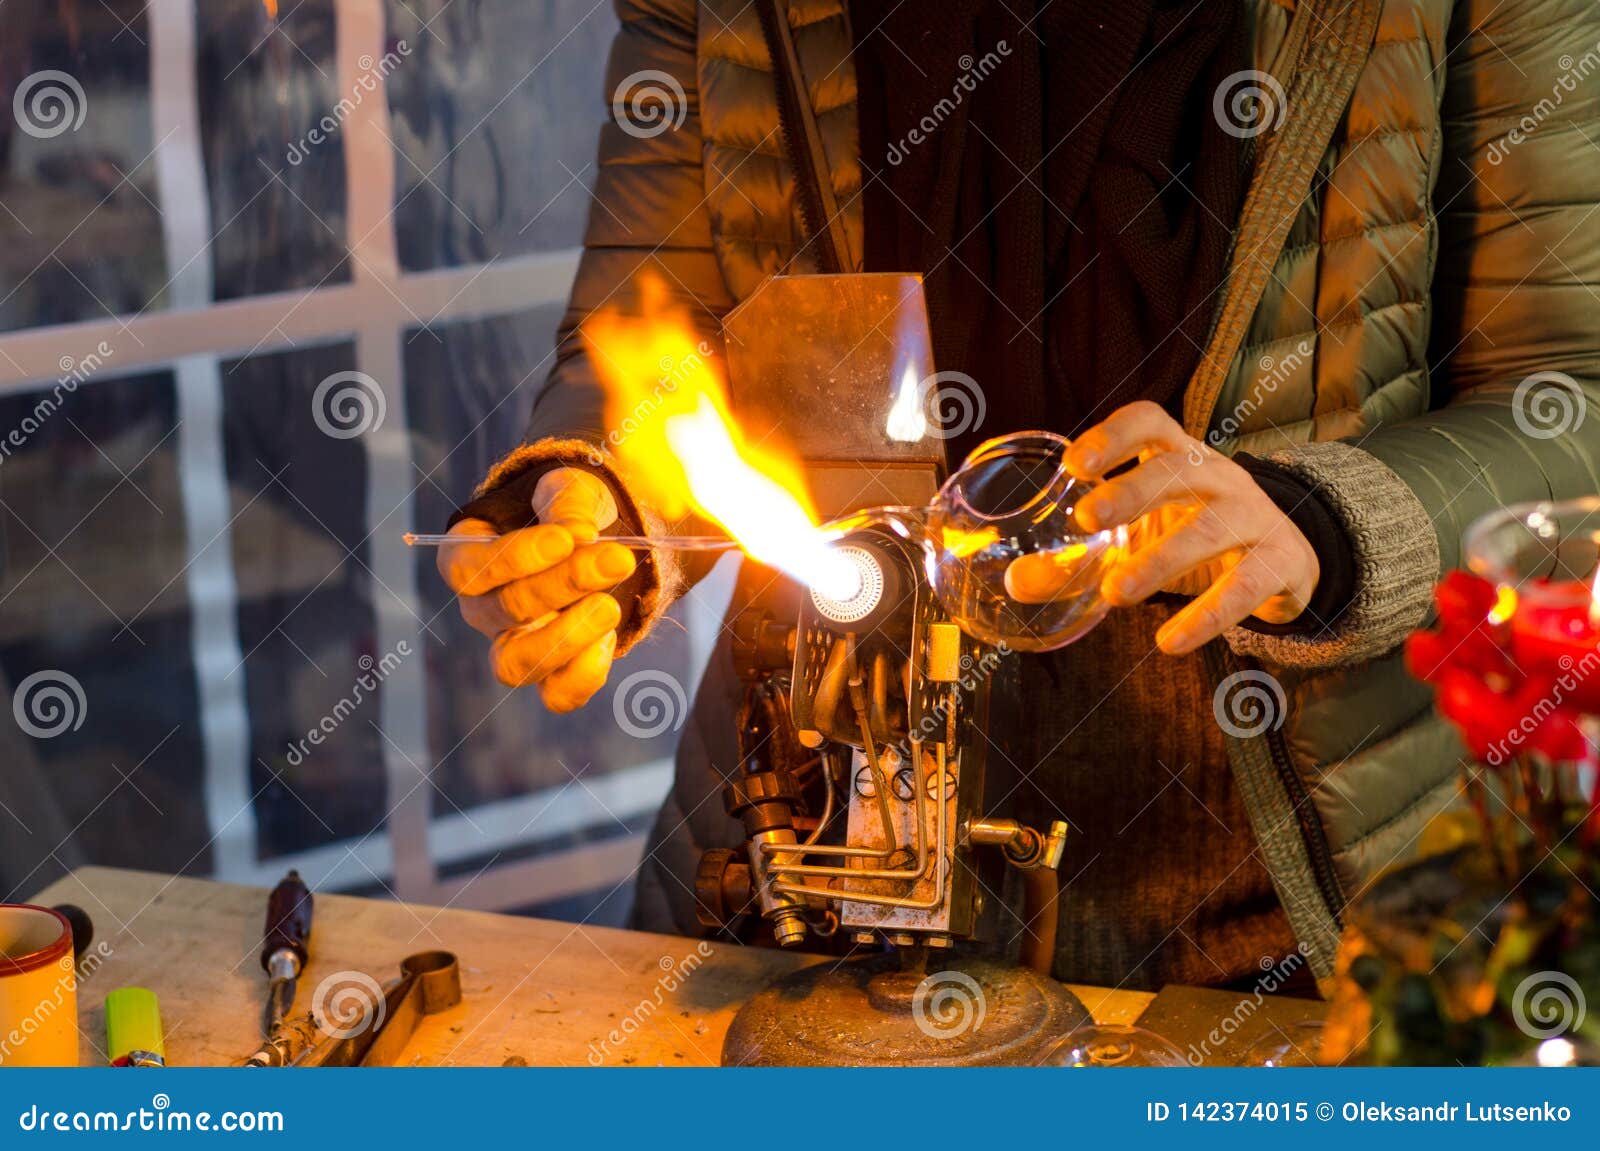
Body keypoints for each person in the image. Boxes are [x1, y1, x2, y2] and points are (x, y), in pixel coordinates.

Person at [439, 0, 1600, 992]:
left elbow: (1569, 396)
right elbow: (653, 343)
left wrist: (1319, 522)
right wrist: (594, 504)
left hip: (1296, 874)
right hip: (820, 836)